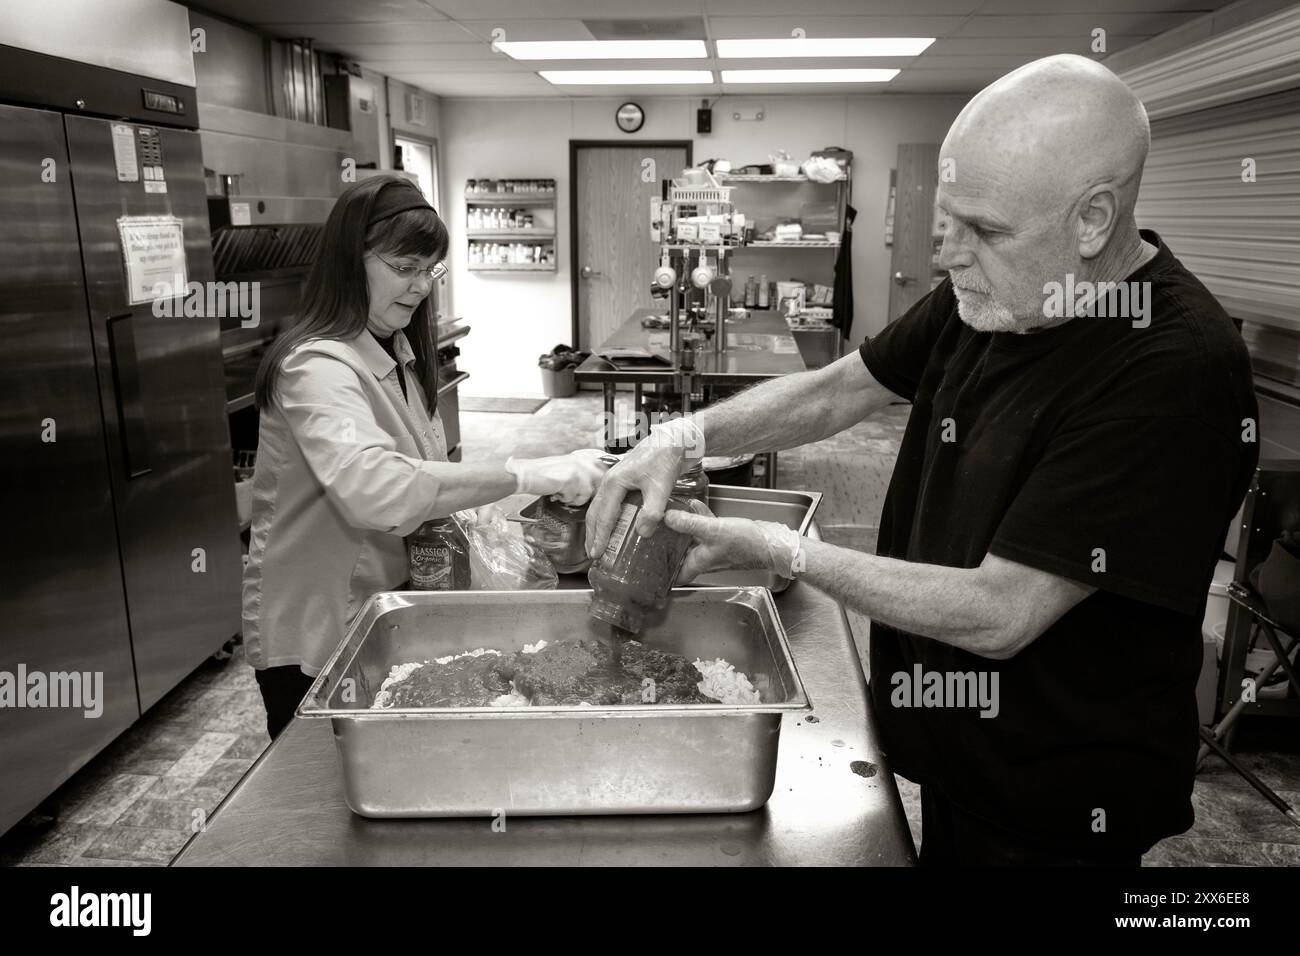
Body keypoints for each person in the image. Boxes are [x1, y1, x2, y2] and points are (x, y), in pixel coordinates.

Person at [587, 55, 1260, 866]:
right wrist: (679, 437)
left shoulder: (1173, 372)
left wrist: (780, 549)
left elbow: (1001, 612)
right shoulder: (998, 293)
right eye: (950, 221)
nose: (949, 256)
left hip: (1059, 794)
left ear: (1093, 220)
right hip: (959, 751)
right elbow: (838, 390)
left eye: (984, 230)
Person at [243, 176, 606, 738]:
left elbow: (425, 467)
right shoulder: (315, 367)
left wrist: (474, 511)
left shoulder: (398, 351)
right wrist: (522, 472)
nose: (419, 287)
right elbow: (379, 489)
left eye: (428, 270)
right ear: (348, 262)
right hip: (318, 633)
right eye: (403, 267)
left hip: (384, 610)